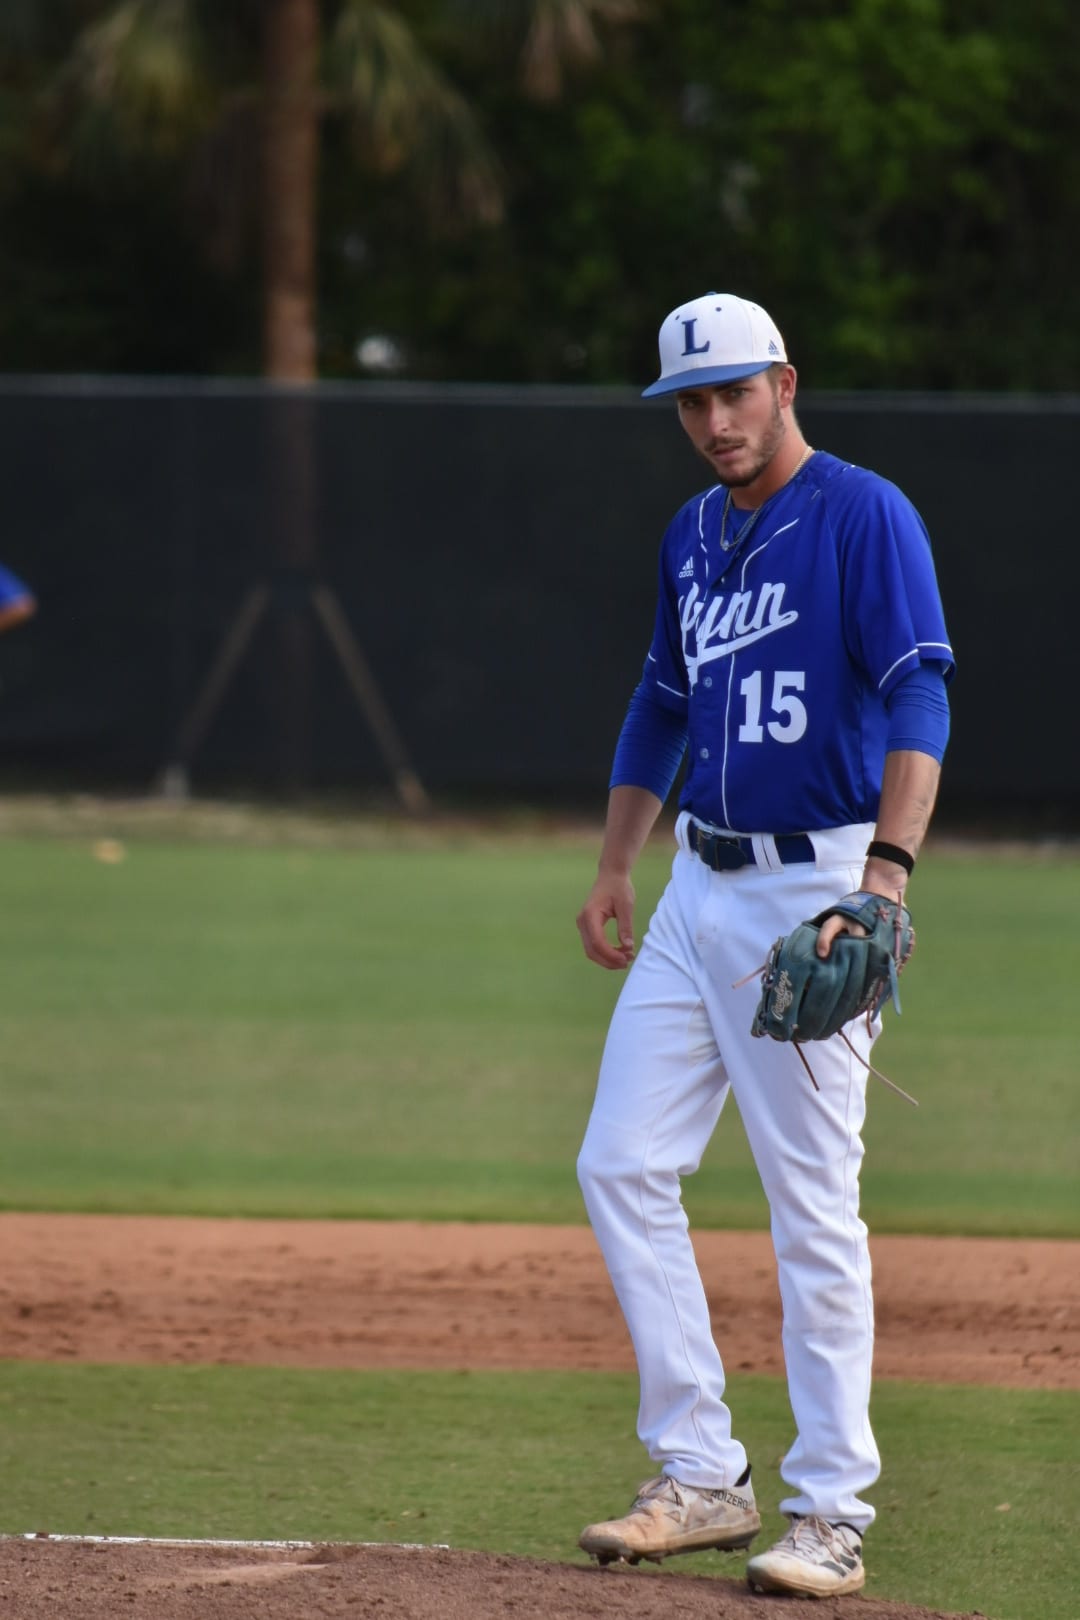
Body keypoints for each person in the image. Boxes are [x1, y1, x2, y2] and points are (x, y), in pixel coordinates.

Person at [574, 292, 953, 1599]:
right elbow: (661, 701)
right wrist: (621, 860)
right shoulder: (690, 532)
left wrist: (887, 880)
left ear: (786, 382)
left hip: (819, 889)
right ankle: (702, 1474)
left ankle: (831, 1510)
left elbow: (919, 690)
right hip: (696, 886)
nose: (716, 420)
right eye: (693, 400)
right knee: (620, 1161)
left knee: (811, 1209)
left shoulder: (863, 514)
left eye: (736, 391)